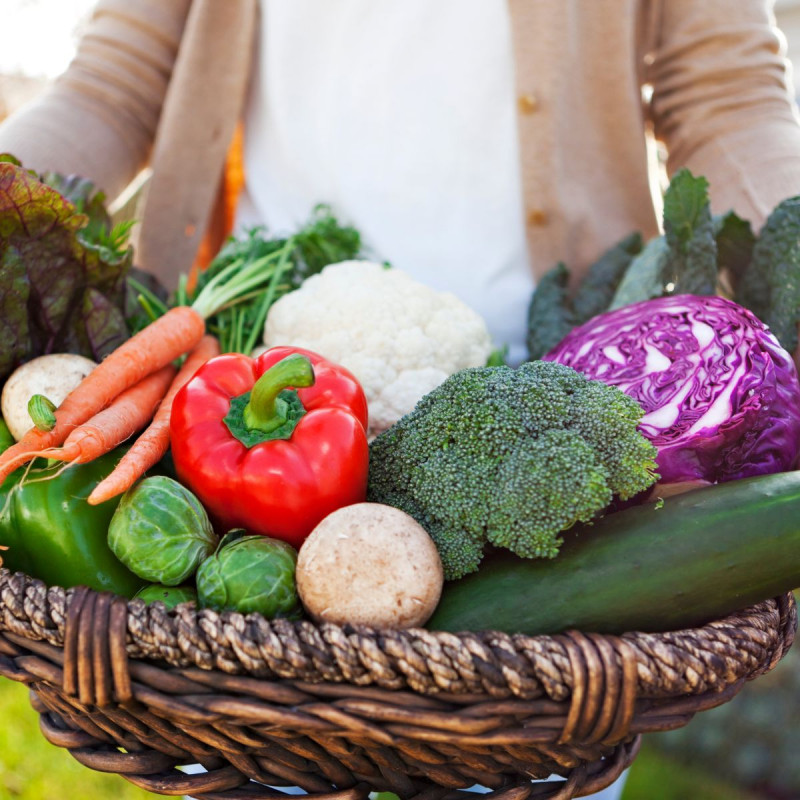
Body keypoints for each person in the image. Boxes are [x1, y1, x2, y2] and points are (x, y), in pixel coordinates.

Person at [3, 1, 800, 797]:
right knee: (264, 764)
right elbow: (113, 87)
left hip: (554, 441)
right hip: (249, 427)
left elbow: (726, 97)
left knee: (520, 765)